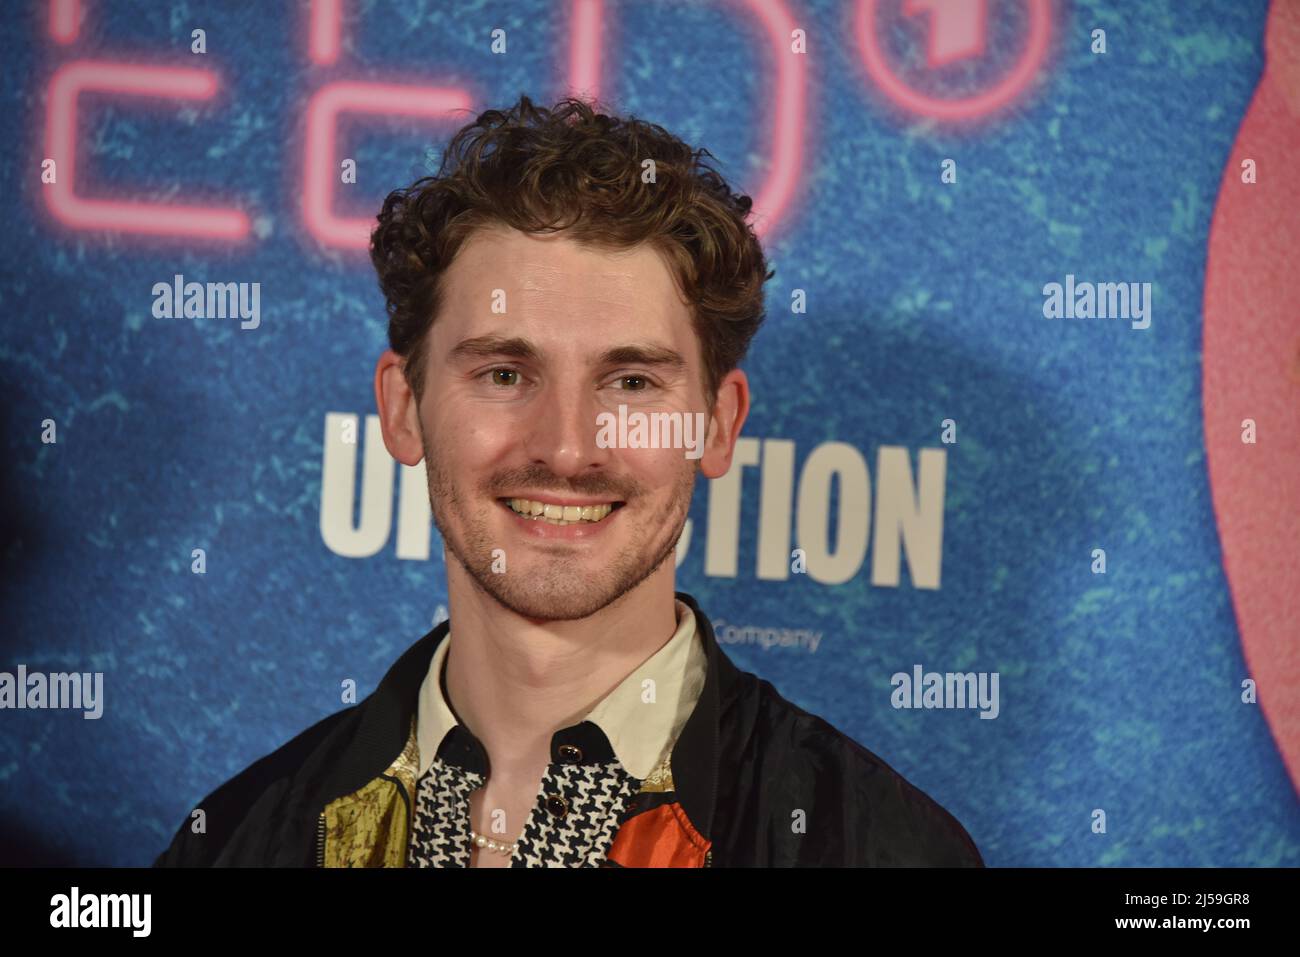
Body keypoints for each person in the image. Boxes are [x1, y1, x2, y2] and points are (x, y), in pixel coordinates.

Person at [155, 94, 982, 868]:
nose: (568, 447)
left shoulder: (879, 846)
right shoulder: (236, 840)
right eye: (506, 374)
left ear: (718, 424)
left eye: (631, 382)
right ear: (404, 408)